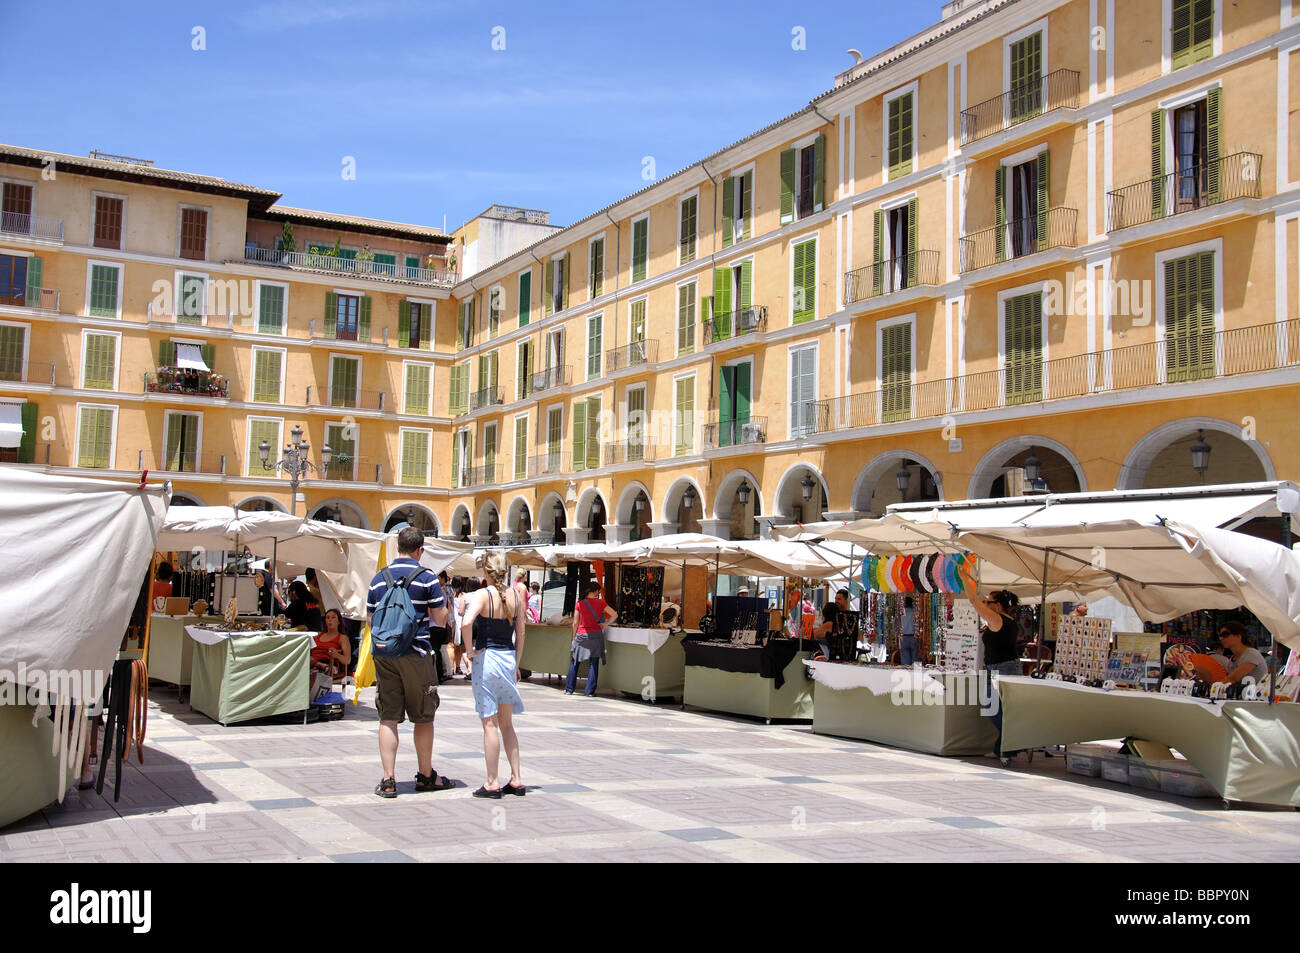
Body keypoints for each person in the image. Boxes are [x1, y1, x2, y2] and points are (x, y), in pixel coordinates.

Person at [366, 526, 453, 797]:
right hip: (417, 654)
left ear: (397, 548)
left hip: (385, 653)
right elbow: (439, 620)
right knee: (424, 716)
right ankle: (426, 775)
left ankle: (388, 779)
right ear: (420, 550)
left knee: (388, 716)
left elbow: (370, 621)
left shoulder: (379, 578)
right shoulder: (427, 578)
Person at [459, 552, 527, 798]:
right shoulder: (516, 597)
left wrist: (468, 652)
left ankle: (492, 781)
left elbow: (466, 623)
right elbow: (521, 633)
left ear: (486, 572)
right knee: (507, 724)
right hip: (508, 658)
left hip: (487, 660)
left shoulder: (482, 594)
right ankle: (517, 779)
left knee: (490, 723)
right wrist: (516, 663)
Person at [961, 572, 1021, 767]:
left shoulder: (998, 621)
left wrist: (964, 578)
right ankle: (1002, 747)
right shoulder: (1008, 622)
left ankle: (1008, 747)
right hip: (1003, 667)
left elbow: (972, 600)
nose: (985, 605)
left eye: (988, 602)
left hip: (1002, 669)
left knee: (993, 707)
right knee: (997, 708)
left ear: (997, 606)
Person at [566, 580, 616, 696]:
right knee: (593, 662)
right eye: (598, 591)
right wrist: (605, 624)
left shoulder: (579, 603)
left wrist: (573, 637)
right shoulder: (601, 603)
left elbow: (575, 622)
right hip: (596, 635)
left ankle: (569, 689)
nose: (599, 593)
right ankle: (589, 691)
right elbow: (614, 614)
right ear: (595, 591)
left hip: (581, 634)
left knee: (574, 661)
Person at [311, 608, 352, 682]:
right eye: (327, 618)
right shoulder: (318, 635)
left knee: (312, 671)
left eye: (333, 617)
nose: (330, 620)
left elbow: (347, 660)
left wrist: (337, 655)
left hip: (327, 664)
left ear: (339, 621)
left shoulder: (342, 638)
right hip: (313, 662)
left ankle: (319, 665)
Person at [900, 595, 919, 666]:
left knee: (905, 661)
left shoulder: (901, 613)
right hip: (913, 637)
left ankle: (906, 674)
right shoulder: (915, 613)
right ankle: (916, 675)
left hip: (903, 637)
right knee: (915, 659)